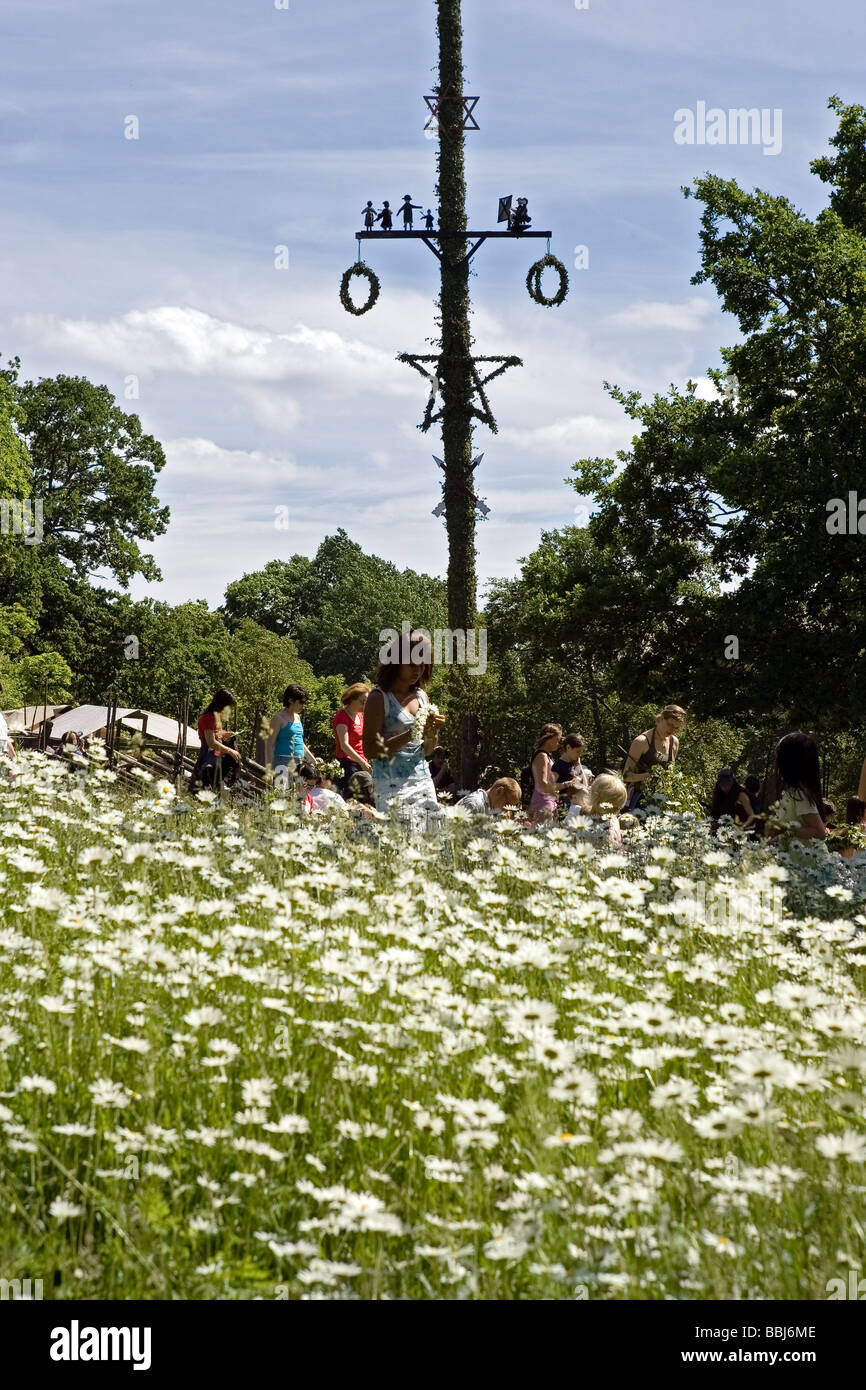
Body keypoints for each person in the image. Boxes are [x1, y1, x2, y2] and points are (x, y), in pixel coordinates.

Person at [362, 630, 446, 825]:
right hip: (390, 784)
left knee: (431, 837)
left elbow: (427, 750)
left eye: (422, 664)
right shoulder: (378, 698)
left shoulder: (422, 697)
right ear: (396, 662)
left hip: (422, 779)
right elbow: (370, 750)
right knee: (402, 838)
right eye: (412, 664)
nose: (417, 670)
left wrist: (432, 731)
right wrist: (412, 732)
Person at [766, 731, 828, 843]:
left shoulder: (799, 795)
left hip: (802, 859)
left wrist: (787, 833)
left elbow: (819, 833)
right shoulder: (791, 793)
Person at [623, 705, 686, 809]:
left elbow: (671, 771)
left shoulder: (674, 742)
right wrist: (649, 776)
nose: (672, 730)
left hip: (665, 800)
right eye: (670, 725)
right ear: (661, 719)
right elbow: (626, 776)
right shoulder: (642, 741)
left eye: (676, 728)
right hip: (641, 799)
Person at [332, 683, 374, 802]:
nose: (365, 705)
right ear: (353, 699)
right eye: (363, 701)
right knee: (351, 800)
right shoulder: (342, 717)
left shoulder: (360, 716)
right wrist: (362, 762)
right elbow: (344, 745)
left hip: (362, 762)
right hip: (348, 764)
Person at [194, 688, 241, 789]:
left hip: (217, 755)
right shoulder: (207, 718)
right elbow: (211, 742)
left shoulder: (216, 716)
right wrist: (230, 751)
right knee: (206, 786)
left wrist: (224, 734)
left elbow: (215, 733)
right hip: (209, 755)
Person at [267, 684, 314, 785]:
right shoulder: (278, 718)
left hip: (300, 762)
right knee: (282, 796)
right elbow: (269, 744)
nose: (303, 705)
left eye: (304, 702)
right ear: (290, 700)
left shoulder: (298, 717)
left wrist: (313, 760)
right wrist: (269, 770)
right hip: (282, 761)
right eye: (301, 702)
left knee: (298, 797)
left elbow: (300, 742)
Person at [576, 773, 628, 849]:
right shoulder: (583, 812)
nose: (617, 811)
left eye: (619, 808)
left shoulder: (612, 822)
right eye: (616, 807)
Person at [529, 723, 563, 824]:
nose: (558, 743)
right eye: (557, 739)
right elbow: (542, 782)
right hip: (542, 801)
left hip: (547, 800)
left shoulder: (546, 756)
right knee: (543, 835)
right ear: (549, 738)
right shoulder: (542, 756)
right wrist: (555, 791)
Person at [552, 733, 593, 807]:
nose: (579, 755)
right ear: (568, 747)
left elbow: (583, 782)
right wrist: (566, 784)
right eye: (577, 751)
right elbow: (551, 785)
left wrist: (579, 766)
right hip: (565, 803)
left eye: (581, 752)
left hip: (577, 801)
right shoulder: (558, 765)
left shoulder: (574, 763)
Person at [709, 768, 755, 833]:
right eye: (723, 785)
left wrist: (742, 827)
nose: (725, 787)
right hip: (723, 831)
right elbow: (715, 813)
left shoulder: (741, 794)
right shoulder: (718, 794)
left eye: (727, 784)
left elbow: (751, 815)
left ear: (732, 783)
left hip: (741, 830)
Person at [457, 778, 522, 814]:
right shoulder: (474, 805)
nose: (507, 810)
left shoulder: (489, 808)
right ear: (499, 791)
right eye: (507, 804)